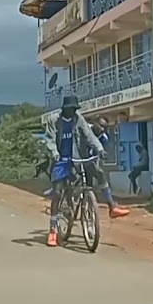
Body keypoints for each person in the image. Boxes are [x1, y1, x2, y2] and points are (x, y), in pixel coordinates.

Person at [42, 95, 106, 247]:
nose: (73, 112)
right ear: (65, 109)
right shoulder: (54, 120)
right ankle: (53, 230)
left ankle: (86, 217)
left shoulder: (79, 119)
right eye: (71, 109)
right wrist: (55, 153)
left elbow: (89, 136)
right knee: (57, 193)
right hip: (60, 160)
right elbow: (49, 140)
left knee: (82, 186)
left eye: (75, 109)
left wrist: (100, 149)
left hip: (76, 159)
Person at [83, 116, 131, 219]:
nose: (102, 129)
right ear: (95, 123)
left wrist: (102, 154)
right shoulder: (84, 130)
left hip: (89, 162)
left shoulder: (104, 138)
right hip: (76, 160)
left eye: (105, 127)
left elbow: (97, 152)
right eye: (101, 126)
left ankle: (112, 206)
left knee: (99, 175)